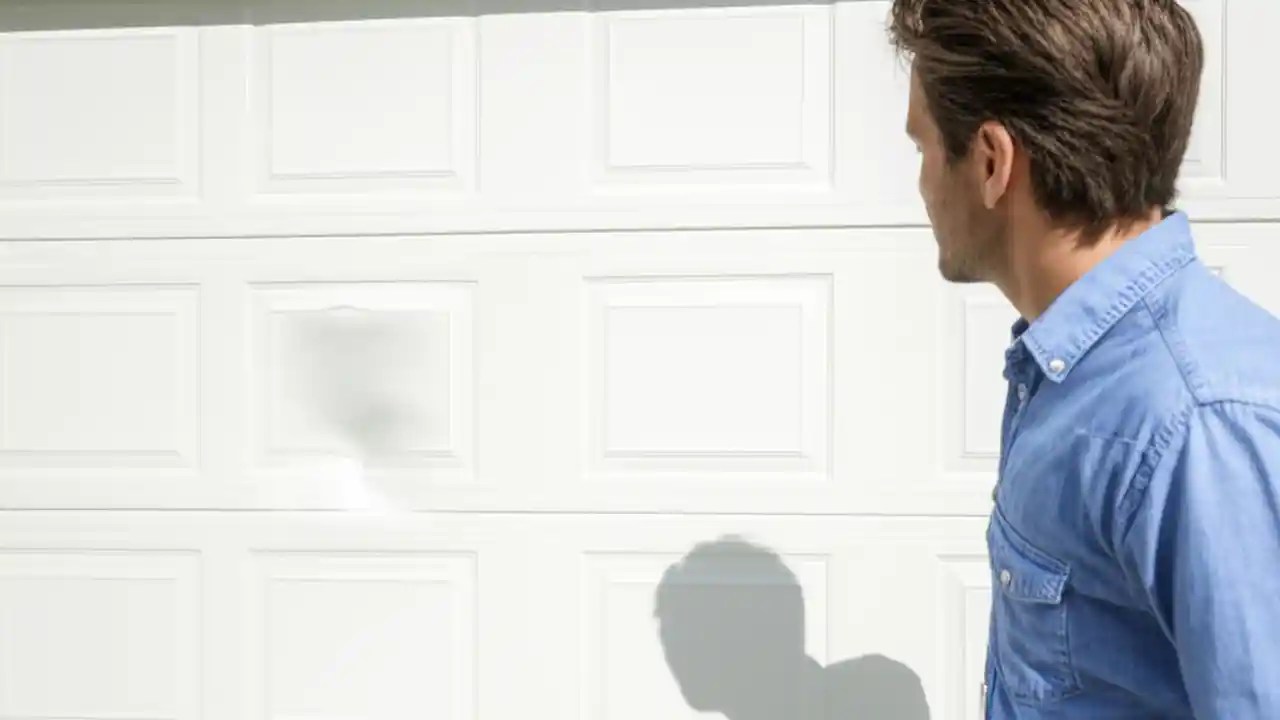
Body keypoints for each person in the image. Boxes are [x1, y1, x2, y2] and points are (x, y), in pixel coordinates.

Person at [886, 0, 1280, 717]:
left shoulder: (1198, 423)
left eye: (921, 147)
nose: (918, 183)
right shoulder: (1074, 370)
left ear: (991, 161)